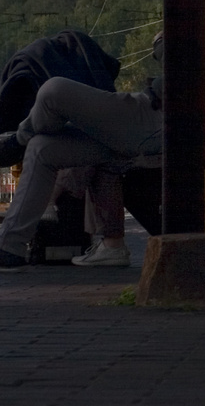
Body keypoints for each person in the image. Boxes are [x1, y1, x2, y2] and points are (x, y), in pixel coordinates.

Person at [0, 32, 163, 270]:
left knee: (52, 90)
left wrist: (161, 40)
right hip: (147, 116)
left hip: (152, 116)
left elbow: (174, 56)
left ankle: (18, 139)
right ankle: (8, 248)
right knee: (43, 148)